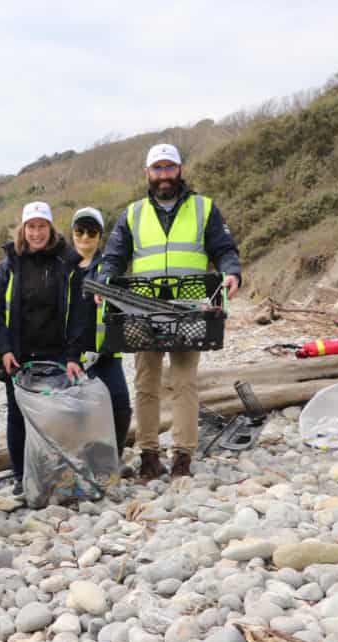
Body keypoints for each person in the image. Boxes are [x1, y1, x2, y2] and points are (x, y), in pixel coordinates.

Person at [98, 143, 241, 479]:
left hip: (189, 311)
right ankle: (148, 455)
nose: (164, 175)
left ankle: (182, 457)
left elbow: (224, 249)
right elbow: (114, 256)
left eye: (169, 167)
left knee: (184, 383)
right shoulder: (132, 214)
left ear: (180, 170)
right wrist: (104, 282)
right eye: (157, 168)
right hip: (142, 311)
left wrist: (232, 272)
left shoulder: (204, 208)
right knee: (146, 384)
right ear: (148, 173)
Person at [0, 201, 82, 497]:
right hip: (18, 355)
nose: (36, 233)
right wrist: (4, 350)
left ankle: (58, 475)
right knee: (17, 417)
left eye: (42, 226)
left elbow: (78, 312)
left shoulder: (67, 263)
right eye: (31, 227)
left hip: (56, 354)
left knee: (57, 417)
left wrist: (73, 355)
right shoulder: (7, 266)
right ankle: (21, 475)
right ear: (23, 229)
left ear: (51, 229)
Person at [66, 207, 133, 460]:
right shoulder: (62, 267)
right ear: (72, 233)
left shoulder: (110, 267)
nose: (85, 237)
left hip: (105, 351)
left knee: (120, 404)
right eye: (80, 231)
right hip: (70, 354)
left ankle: (112, 458)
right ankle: (80, 460)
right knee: (76, 410)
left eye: (92, 232)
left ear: (100, 235)